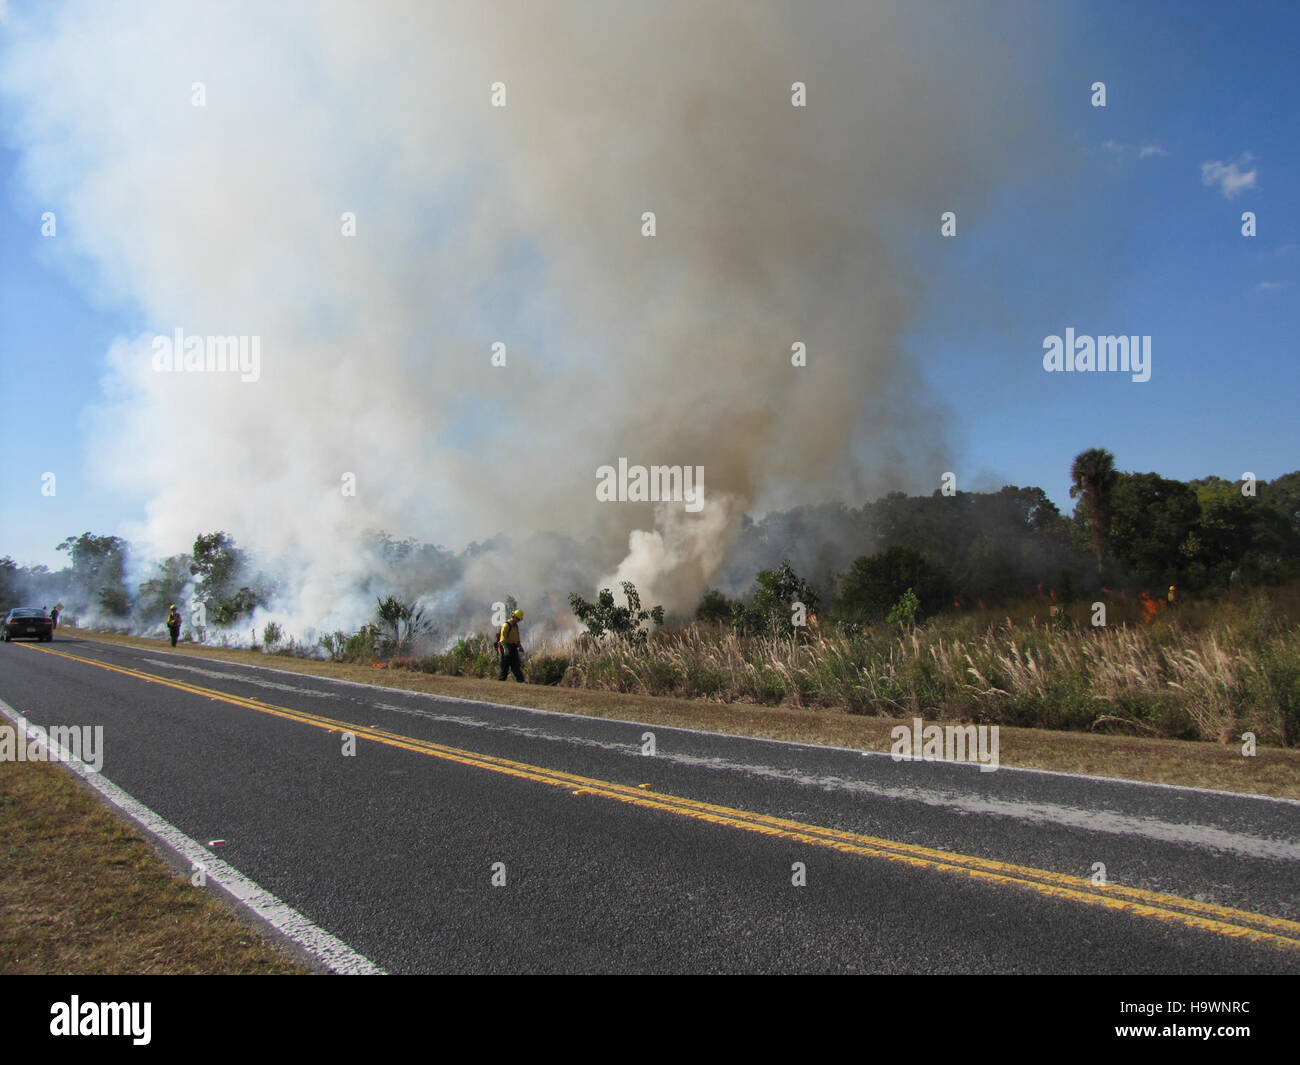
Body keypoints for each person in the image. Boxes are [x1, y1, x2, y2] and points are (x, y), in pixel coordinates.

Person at [497, 609, 525, 682]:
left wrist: (519, 646)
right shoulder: (506, 625)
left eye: (519, 619)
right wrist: (505, 648)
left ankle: (521, 681)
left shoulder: (515, 626)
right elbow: (502, 638)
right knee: (504, 667)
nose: (518, 621)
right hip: (505, 647)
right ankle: (501, 682)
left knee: (516, 666)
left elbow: (517, 638)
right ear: (514, 616)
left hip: (513, 647)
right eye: (518, 619)